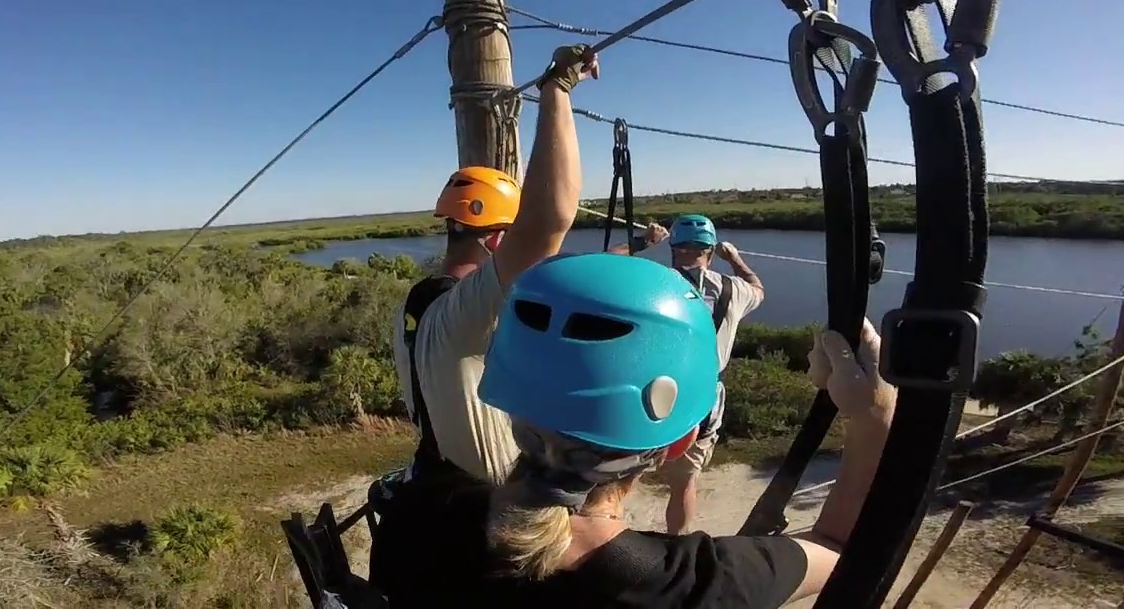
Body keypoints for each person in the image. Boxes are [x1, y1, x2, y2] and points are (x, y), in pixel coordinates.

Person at [389, 252, 892, 608]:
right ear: (679, 441)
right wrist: (874, 419)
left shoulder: (418, 516)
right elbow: (843, 547)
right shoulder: (697, 587)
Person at [369, 45, 599, 598]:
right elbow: (550, 219)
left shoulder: (420, 303)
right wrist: (557, 91)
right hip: (481, 526)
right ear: (498, 239)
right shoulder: (462, 312)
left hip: (433, 501)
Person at [656, 213, 766, 534]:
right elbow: (758, 288)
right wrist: (734, 259)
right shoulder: (734, 289)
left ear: (674, 246)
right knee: (685, 482)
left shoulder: (653, 282)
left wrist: (644, 243)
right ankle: (676, 544)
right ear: (711, 248)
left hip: (649, 390)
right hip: (703, 398)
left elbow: (607, 265)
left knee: (621, 475)